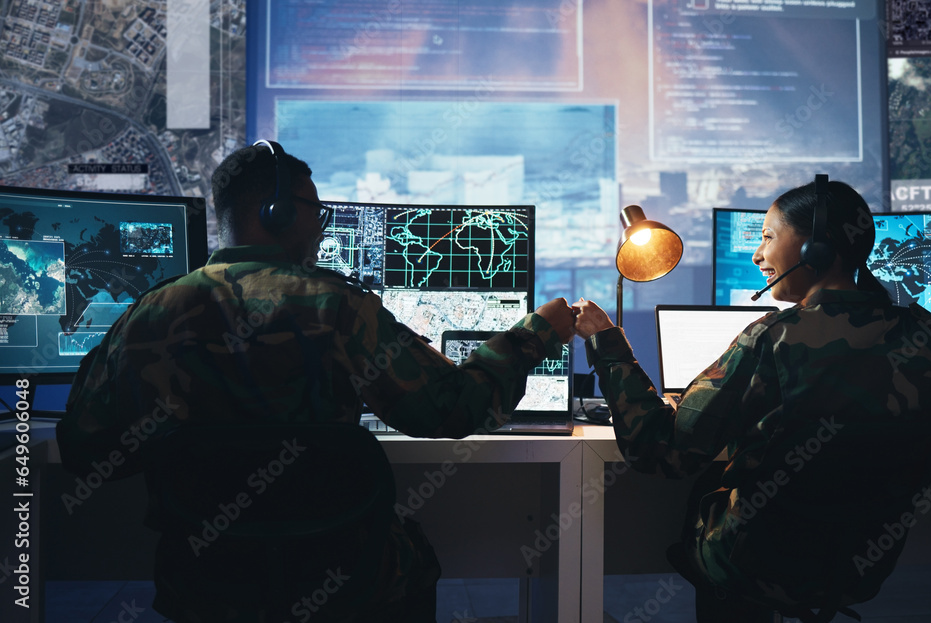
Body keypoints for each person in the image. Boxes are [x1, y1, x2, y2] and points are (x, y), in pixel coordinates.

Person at [56, 140, 576, 622]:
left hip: (204, 583)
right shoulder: (338, 306)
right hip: (343, 583)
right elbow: (457, 409)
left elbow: (84, 447)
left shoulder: (151, 312)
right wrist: (534, 335)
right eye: (316, 212)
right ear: (277, 213)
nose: (323, 227)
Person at [573, 179, 931, 622]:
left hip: (762, 567)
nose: (758, 255)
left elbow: (662, 452)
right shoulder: (923, 334)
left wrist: (607, 342)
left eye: (768, 237)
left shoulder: (774, 337)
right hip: (863, 564)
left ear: (815, 247)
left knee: (706, 486)